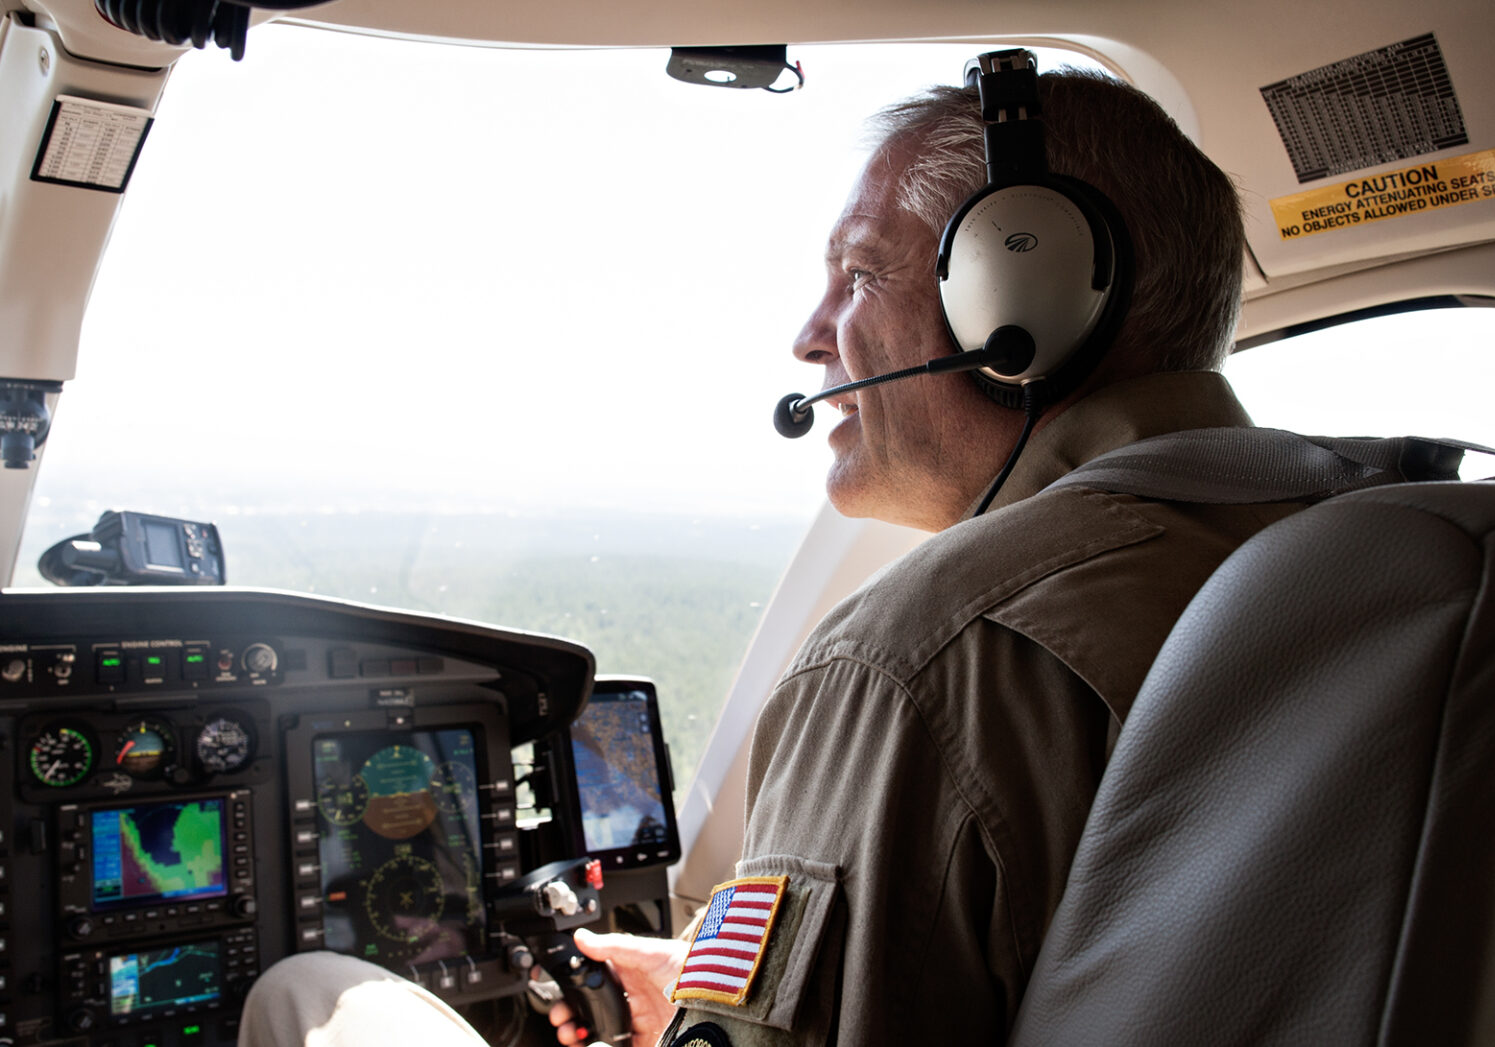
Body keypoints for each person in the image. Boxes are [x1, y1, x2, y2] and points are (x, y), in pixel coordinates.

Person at [242, 65, 1305, 1047]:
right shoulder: (1398, 551)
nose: (810, 336)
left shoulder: (926, 657)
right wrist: (723, 985)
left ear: (1019, 292)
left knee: (313, 993)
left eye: (856, 273)